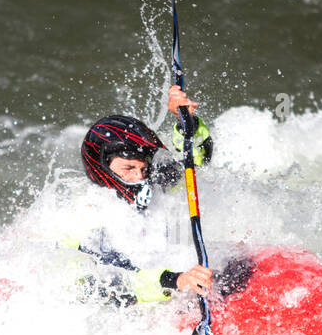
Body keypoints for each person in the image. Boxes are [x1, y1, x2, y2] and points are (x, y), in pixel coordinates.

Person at [65, 85, 248, 308]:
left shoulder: (150, 184)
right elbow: (114, 286)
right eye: (128, 168)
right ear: (102, 166)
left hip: (165, 285)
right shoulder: (88, 218)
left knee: (240, 266)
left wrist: (185, 123)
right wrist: (177, 280)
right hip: (118, 310)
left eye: (143, 169)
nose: (139, 178)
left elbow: (197, 163)